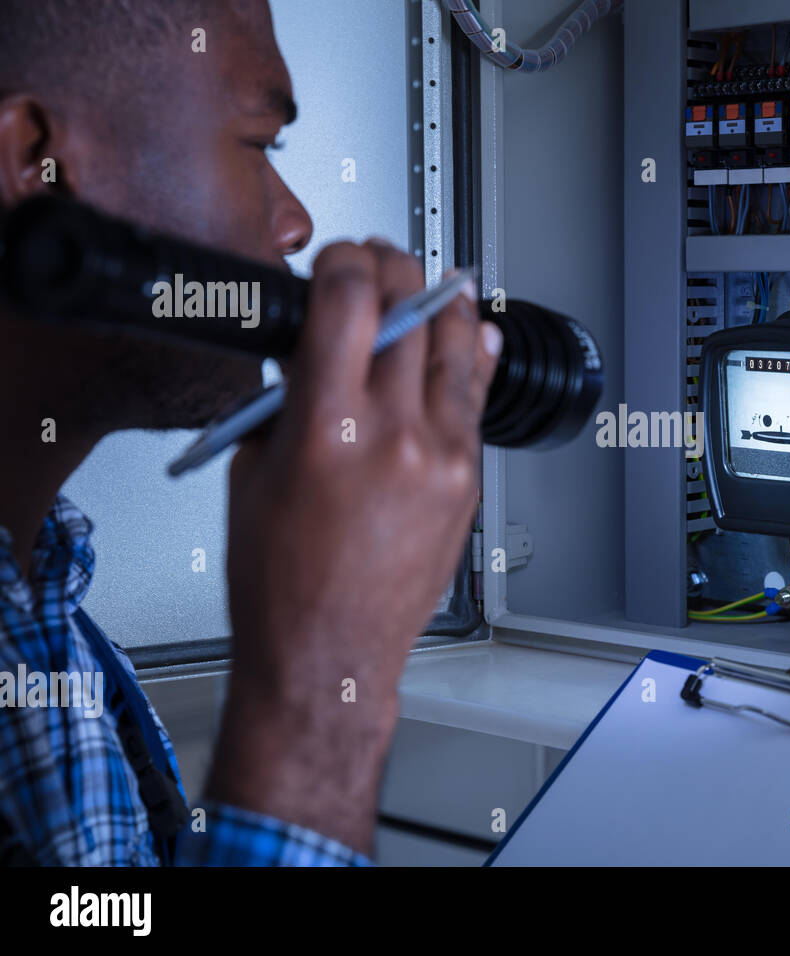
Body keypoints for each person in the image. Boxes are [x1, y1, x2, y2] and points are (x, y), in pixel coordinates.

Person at [0, 0, 500, 864]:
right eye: (259, 144)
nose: (296, 223)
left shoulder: (42, 607)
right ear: (33, 163)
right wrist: (314, 704)